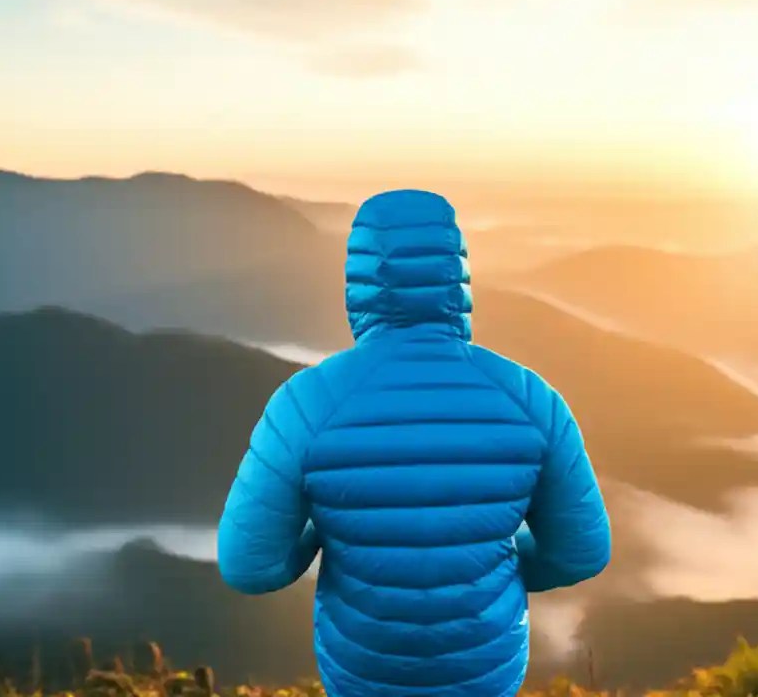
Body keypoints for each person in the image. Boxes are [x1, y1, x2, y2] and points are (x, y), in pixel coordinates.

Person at [216, 189, 611, 697]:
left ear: (357, 282)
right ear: (457, 273)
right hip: (485, 672)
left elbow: (248, 566)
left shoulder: (304, 403)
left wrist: (318, 540)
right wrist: (493, 568)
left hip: (363, 673)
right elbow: (582, 552)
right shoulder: (532, 398)